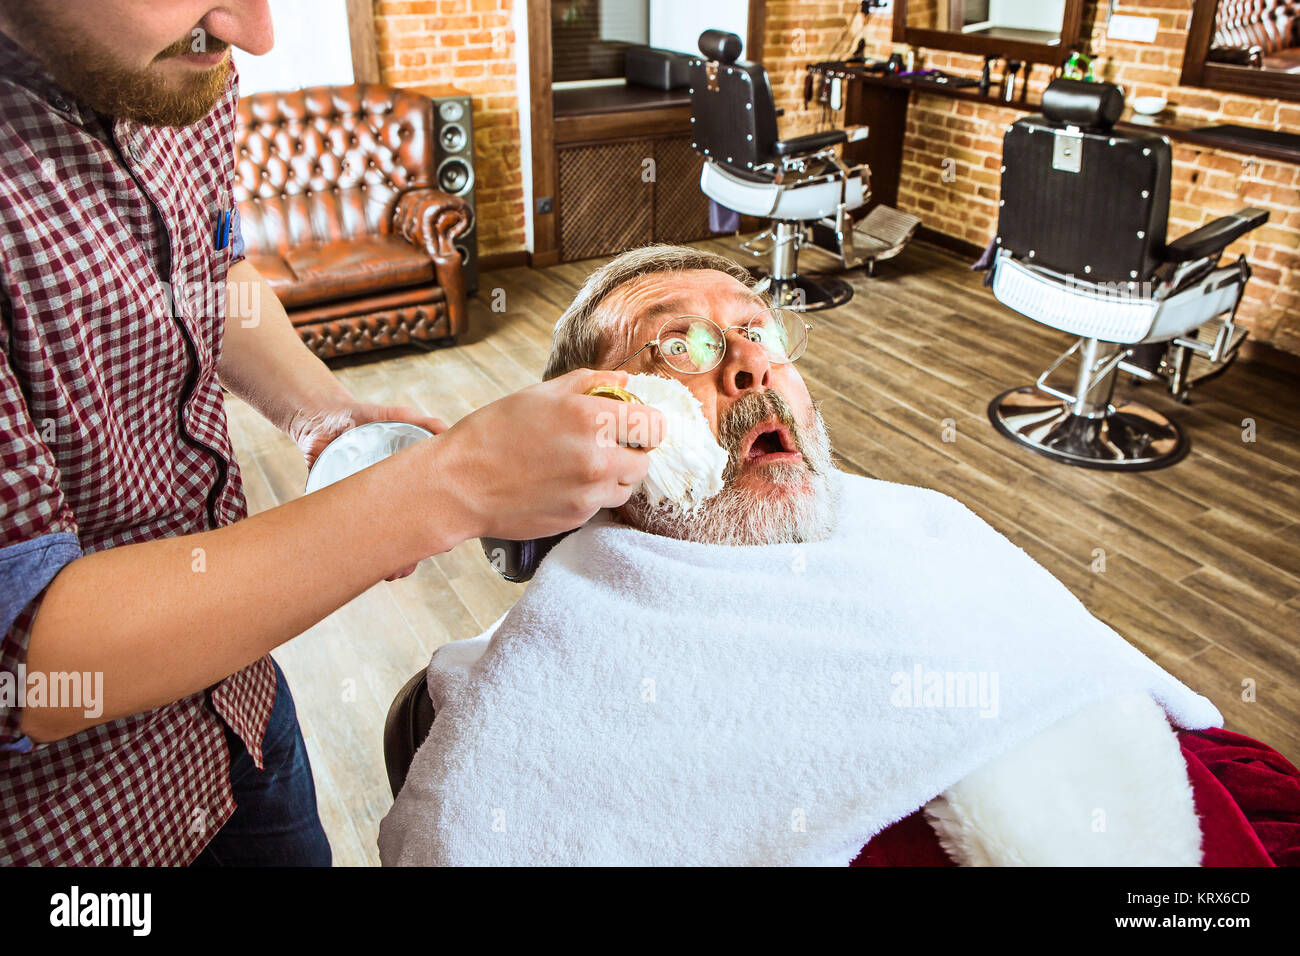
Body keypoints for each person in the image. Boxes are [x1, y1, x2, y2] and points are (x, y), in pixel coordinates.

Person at [0, 0, 661, 866]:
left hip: (239, 708)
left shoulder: (184, 59)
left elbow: (213, 270)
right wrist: (448, 485)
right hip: (83, 826)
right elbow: (32, 662)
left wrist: (326, 415)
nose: (251, 34)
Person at [379, 245, 1300, 866]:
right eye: (682, 345)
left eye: (759, 332)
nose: (750, 366)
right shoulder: (564, 670)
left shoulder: (921, 523)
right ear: (593, 421)